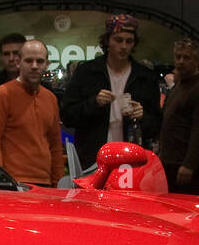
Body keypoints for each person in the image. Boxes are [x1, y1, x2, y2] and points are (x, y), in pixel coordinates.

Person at [61, 14, 161, 170]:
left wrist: (143, 116)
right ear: (107, 40)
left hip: (132, 160)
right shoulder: (86, 72)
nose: (124, 46)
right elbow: (67, 116)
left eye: (129, 41)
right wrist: (94, 103)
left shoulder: (146, 78)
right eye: (118, 40)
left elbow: (157, 126)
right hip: (92, 158)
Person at [0, 39, 66, 186]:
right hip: (14, 183)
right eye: (29, 61)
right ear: (18, 62)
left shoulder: (50, 98)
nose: (34, 66)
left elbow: (55, 146)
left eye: (39, 61)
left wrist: (58, 184)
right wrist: (0, 183)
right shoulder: (1, 95)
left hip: (45, 184)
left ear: (47, 64)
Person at [158, 39, 199, 194]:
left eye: (187, 58)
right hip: (170, 160)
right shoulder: (180, 86)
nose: (181, 61)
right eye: (178, 57)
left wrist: (189, 164)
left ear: (197, 61)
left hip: (186, 166)